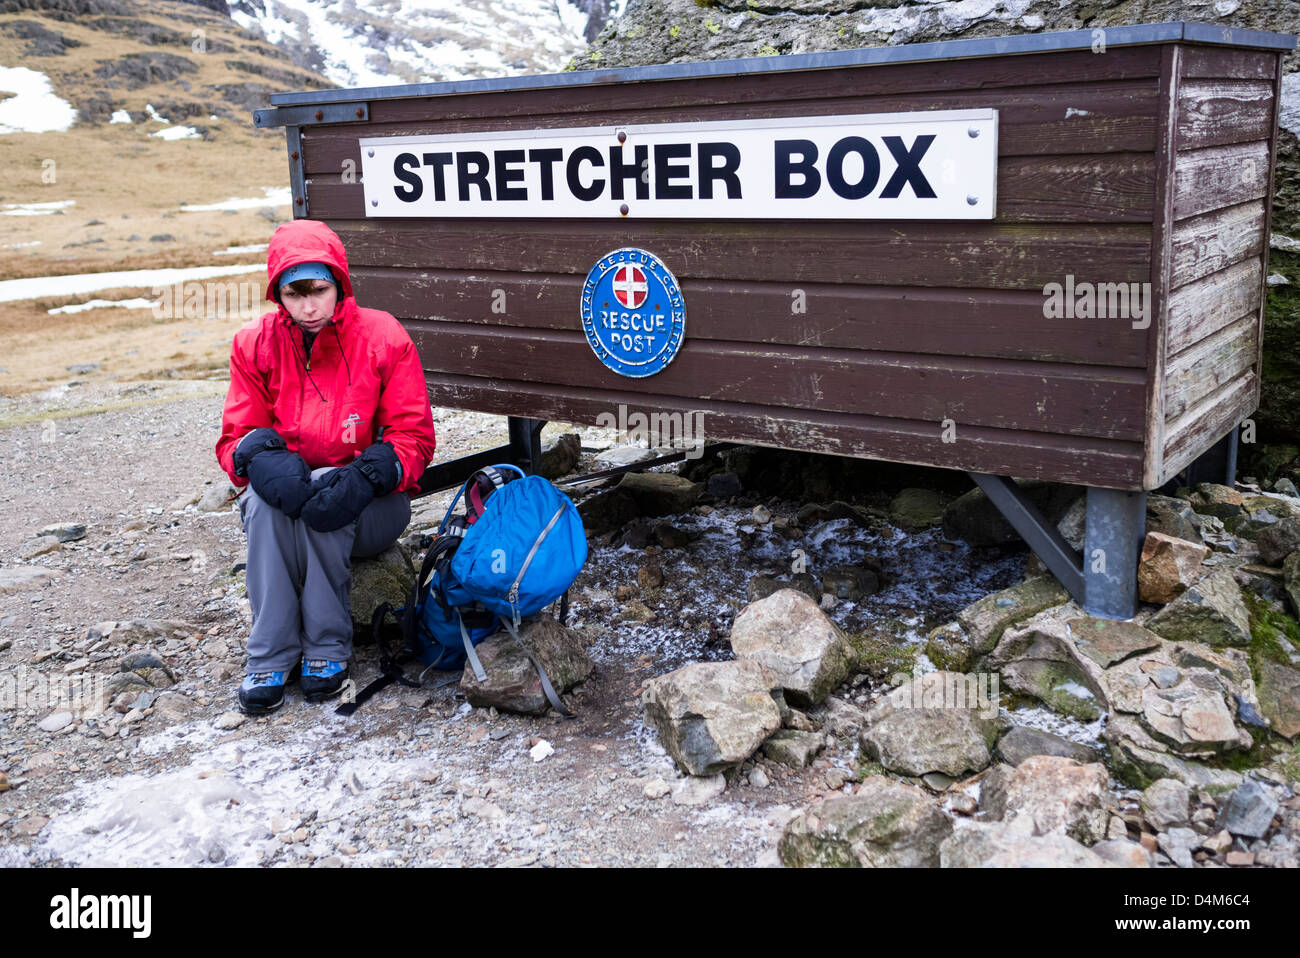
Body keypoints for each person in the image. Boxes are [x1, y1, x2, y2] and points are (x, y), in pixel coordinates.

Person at [216, 219, 437, 715]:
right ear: (279, 293)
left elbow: (415, 438)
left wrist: (370, 472)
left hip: (373, 507)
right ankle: (270, 655)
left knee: (324, 494)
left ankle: (326, 648)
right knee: (261, 501)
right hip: (292, 507)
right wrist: (260, 462)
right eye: (295, 295)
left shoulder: (383, 336)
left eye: (319, 290)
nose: (309, 307)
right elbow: (236, 438)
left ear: (339, 283)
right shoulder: (254, 343)